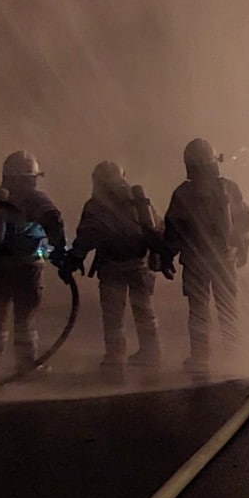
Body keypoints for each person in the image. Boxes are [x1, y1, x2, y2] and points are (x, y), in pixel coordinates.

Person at [0, 150, 72, 381]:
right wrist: (60, 250)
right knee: (25, 321)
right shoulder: (35, 198)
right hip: (28, 268)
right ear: (31, 177)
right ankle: (26, 367)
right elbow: (54, 220)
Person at [67, 159, 171, 377]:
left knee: (113, 316)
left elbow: (86, 236)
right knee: (145, 312)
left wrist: (74, 258)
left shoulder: (95, 205)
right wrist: (159, 256)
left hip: (111, 268)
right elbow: (157, 228)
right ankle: (150, 353)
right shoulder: (139, 201)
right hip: (140, 265)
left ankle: (114, 357)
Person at [163, 137, 249, 378]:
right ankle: (234, 355)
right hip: (224, 260)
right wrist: (243, 248)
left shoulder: (182, 193)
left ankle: (200, 358)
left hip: (195, 262)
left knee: (198, 310)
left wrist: (166, 258)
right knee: (228, 309)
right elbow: (243, 222)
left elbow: (173, 231)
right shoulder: (230, 188)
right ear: (215, 161)